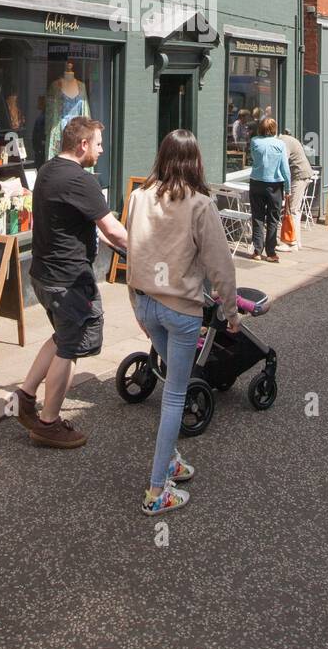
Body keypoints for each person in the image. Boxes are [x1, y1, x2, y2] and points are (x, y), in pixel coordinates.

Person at [127, 130, 240, 515]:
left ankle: (171, 459)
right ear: (195, 161)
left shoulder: (138, 197)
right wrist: (231, 313)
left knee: (173, 389)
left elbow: (131, 252)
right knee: (175, 396)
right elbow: (220, 264)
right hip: (181, 311)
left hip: (146, 304)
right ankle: (157, 490)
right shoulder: (200, 204)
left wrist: (135, 304)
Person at [16, 117, 128, 448]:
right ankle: (48, 424)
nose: (102, 150)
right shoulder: (81, 181)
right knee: (72, 344)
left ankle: (25, 397)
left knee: (61, 335)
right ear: (82, 145)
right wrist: (150, 253)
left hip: (43, 275)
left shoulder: (49, 169)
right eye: (97, 144)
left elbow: (69, 220)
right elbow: (113, 230)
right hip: (68, 280)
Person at [248, 117, 291, 262]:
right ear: (274, 129)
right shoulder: (280, 144)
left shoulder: (254, 141)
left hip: (256, 182)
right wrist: (288, 188)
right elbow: (285, 168)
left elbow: (253, 158)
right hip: (274, 185)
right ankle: (271, 253)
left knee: (258, 217)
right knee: (273, 219)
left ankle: (257, 251)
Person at [279, 129, 314, 246]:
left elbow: (283, 161)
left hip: (299, 176)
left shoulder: (283, 142)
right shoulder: (288, 139)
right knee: (293, 209)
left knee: (293, 210)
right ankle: (295, 241)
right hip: (301, 174)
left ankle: (291, 243)